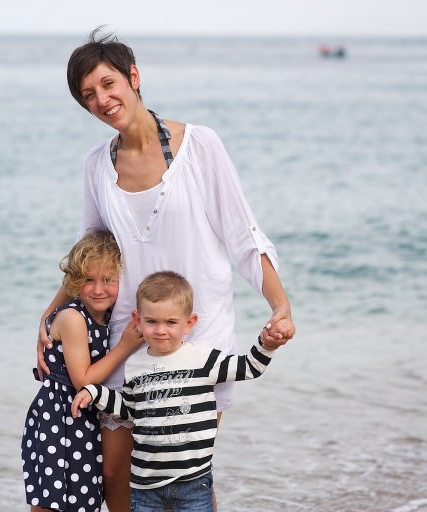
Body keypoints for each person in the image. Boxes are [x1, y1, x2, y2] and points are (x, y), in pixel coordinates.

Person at [37, 27, 296, 511]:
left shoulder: (200, 145)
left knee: (188, 472)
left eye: (108, 83)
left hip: (195, 336)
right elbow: (88, 251)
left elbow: (244, 234)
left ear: (134, 77)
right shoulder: (97, 164)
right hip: (129, 336)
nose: (102, 99)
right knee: (116, 473)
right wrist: (51, 312)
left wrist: (279, 305)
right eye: (88, 94)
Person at [71, 271, 278, 512]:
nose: (161, 330)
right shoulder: (135, 365)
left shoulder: (201, 358)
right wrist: (95, 393)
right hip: (145, 485)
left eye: (171, 322)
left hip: (194, 481)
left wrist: (267, 344)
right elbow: (129, 411)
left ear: (189, 323)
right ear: (137, 321)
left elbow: (249, 367)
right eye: (151, 322)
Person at [22, 229, 143, 512]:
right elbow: (83, 379)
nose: (98, 289)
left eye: (108, 280)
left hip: (82, 414)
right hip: (61, 414)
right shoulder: (73, 318)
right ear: (74, 281)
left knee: (82, 497)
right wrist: (124, 347)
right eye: (88, 280)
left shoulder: (105, 315)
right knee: (51, 499)